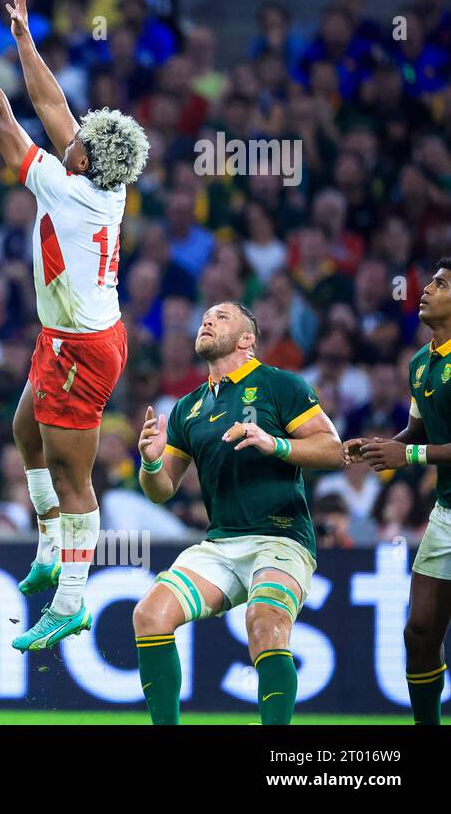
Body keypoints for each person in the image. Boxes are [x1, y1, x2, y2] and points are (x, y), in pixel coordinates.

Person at [0, 0, 149, 651]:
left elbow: (0, 120)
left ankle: (73, 602)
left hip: (85, 349)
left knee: (75, 477)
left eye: (77, 139)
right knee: (26, 430)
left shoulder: (65, 188)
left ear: (82, 158)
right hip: (70, 333)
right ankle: (51, 543)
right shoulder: (102, 181)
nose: (69, 134)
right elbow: (51, 106)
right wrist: (23, 41)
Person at [133, 302, 343, 724]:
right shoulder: (187, 407)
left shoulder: (279, 385)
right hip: (222, 542)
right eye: (206, 317)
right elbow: (161, 491)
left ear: (247, 339)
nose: (207, 320)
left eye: (222, 316)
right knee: (149, 615)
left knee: (264, 620)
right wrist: (151, 462)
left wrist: (275, 444)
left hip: (281, 536)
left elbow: (334, 450)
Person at [345, 257, 451, 723]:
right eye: (430, 281)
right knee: (419, 632)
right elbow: (418, 431)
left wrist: (405, 457)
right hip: (446, 512)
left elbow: (417, 452)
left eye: (442, 284)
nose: (426, 288)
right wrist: (381, 447)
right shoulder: (420, 363)